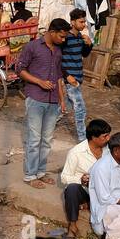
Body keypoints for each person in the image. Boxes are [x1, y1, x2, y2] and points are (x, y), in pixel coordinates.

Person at [16, 18, 70, 188]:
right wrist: (39, 82)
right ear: (52, 32)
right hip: (35, 98)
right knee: (34, 140)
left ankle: (40, 172)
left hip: (53, 101)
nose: (63, 40)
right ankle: (30, 176)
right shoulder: (32, 47)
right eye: (61, 36)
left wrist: (62, 100)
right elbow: (20, 70)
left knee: (46, 140)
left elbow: (59, 77)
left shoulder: (58, 51)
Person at [59, 118, 112, 239]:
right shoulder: (76, 152)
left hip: (105, 189)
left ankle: (89, 205)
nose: (108, 139)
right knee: (71, 189)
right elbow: (64, 177)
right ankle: (72, 225)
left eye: (108, 135)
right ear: (94, 137)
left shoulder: (109, 150)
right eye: (105, 136)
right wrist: (81, 180)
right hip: (85, 190)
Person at [60, 7, 93, 139]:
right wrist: (66, 75)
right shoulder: (65, 37)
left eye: (84, 22)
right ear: (72, 22)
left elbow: (84, 54)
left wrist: (88, 44)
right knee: (80, 108)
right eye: (81, 22)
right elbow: (58, 59)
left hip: (78, 77)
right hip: (70, 78)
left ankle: (47, 124)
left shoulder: (80, 37)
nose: (84, 24)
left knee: (65, 106)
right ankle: (82, 138)